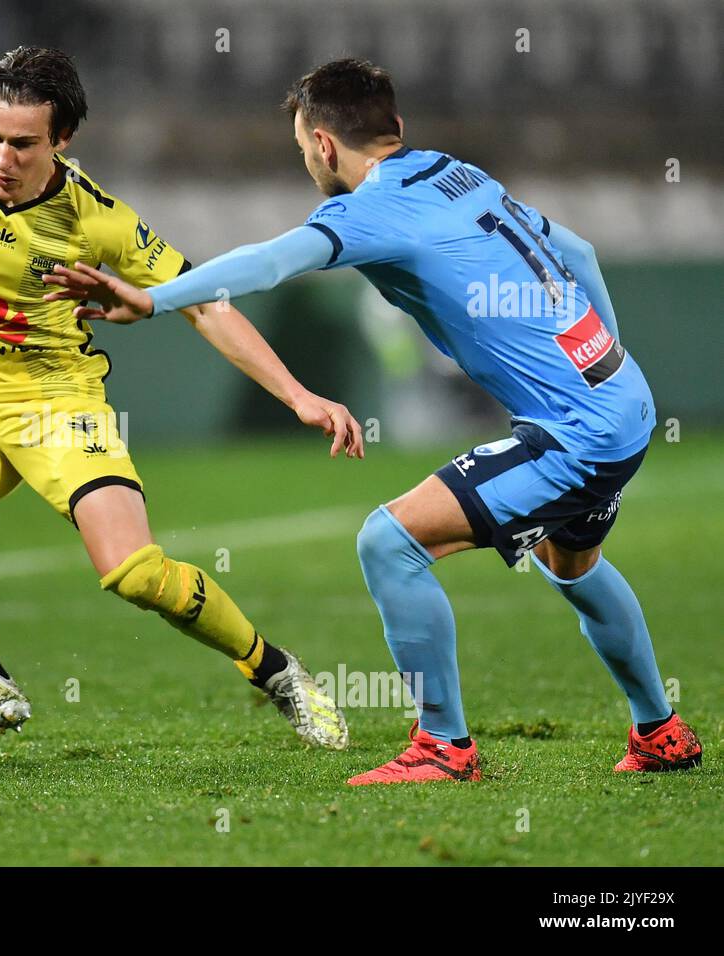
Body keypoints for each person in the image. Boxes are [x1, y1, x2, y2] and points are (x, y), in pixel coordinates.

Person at [43, 57, 701, 784]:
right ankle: (660, 731)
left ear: (325, 145)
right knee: (571, 564)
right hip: (622, 399)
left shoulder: (367, 211)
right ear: (395, 129)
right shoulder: (456, 172)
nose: (306, 163)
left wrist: (152, 298)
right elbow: (580, 251)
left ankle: (444, 748)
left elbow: (269, 261)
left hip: (578, 430)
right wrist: (608, 355)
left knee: (389, 543)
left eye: (302, 149)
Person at [0, 46, 361, 749]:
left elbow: (206, 305)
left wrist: (297, 395)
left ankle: (278, 671)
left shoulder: (95, 217)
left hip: (59, 410)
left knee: (134, 574)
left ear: (63, 140)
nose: (0, 157)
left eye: (22, 143)